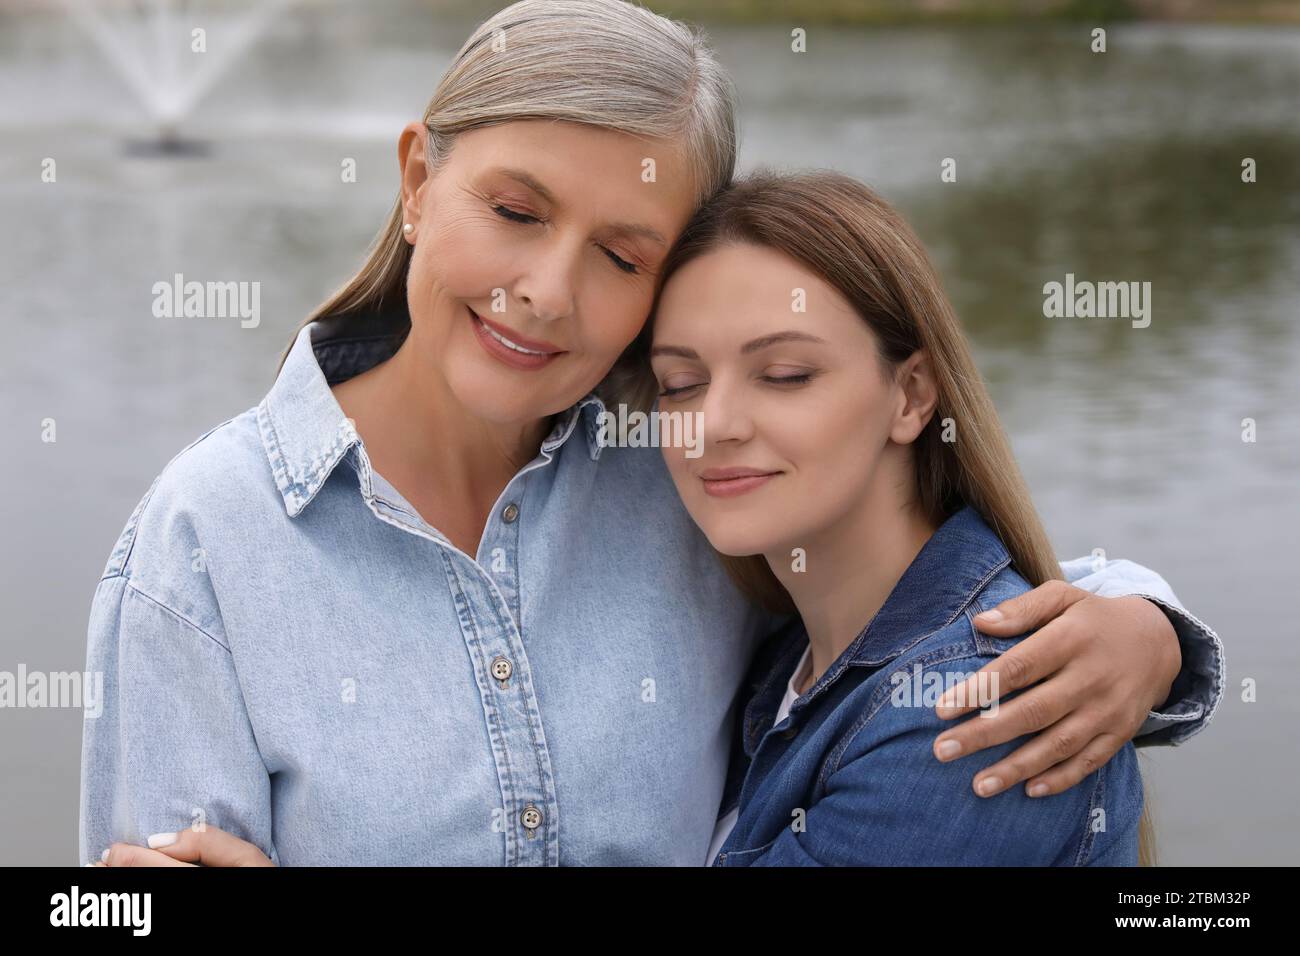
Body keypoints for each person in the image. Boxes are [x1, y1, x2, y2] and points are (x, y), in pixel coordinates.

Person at [84, 0, 1223, 868]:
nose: (543, 290)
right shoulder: (205, 544)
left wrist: (1142, 628)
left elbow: (928, 602)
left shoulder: (684, 470)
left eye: (622, 256)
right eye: (515, 211)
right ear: (419, 182)